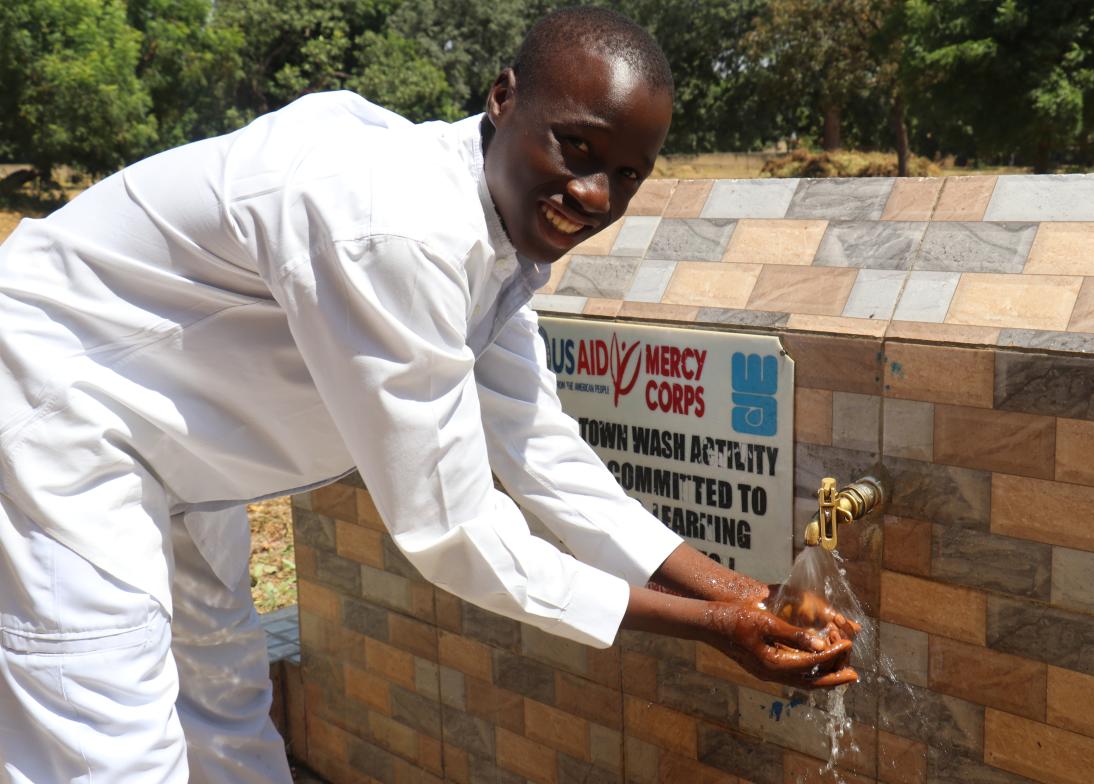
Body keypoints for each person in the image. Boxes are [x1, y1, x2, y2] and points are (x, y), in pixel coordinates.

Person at [0, 7, 857, 783]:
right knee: (107, 745)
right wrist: (708, 628)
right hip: (61, 417)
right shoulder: (397, 227)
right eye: (578, 148)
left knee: (225, 706)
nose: (595, 197)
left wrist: (731, 591)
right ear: (502, 98)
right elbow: (452, 532)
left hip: (179, 456)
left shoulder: (493, 231)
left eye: (628, 175)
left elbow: (535, 444)